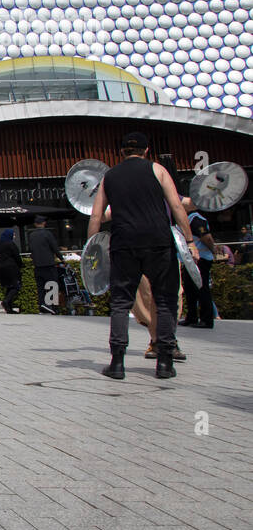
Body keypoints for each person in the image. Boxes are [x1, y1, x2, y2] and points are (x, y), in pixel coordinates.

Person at [89, 131, 192, 380]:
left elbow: (96, 216)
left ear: (121, 151)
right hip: (159, 243)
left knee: (121, 304)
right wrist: (189, 241)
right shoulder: (158, 171)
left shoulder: (109, 176)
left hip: (124, 244)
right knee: (165, 300)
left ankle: (117, 363)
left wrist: (92, 251)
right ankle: (165, 363)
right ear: (146, 151)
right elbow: (177, 206)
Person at [179, 199, 216, 329]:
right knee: (190, 289)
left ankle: (207, 319)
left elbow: (206, 237)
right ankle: (191, 317)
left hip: (200, 259)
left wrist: (214, 250)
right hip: (189, 260)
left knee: (202, 287)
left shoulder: (196, 219)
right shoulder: (186, 218)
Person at [28, 215, 64, 315]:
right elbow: (54, 248)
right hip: (49, 264)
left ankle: (42, 306)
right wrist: (62, 259)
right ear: (44, 223)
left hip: (37, 265)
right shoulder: (47, 234)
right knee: (52, 285)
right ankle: (52, 306)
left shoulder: (31, 235)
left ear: (35, 224)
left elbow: (31, 249)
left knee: (40, 286)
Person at [0, 228, 22, 314]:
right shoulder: (11, 244)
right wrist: (21, 265)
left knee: (9, 286)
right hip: (11, 268)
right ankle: (6, 301)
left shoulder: (1, 244)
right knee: (16, 286)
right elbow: (17, 256)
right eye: (13, 234)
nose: (14, 236)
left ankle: (9, 308)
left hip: (1, 268)